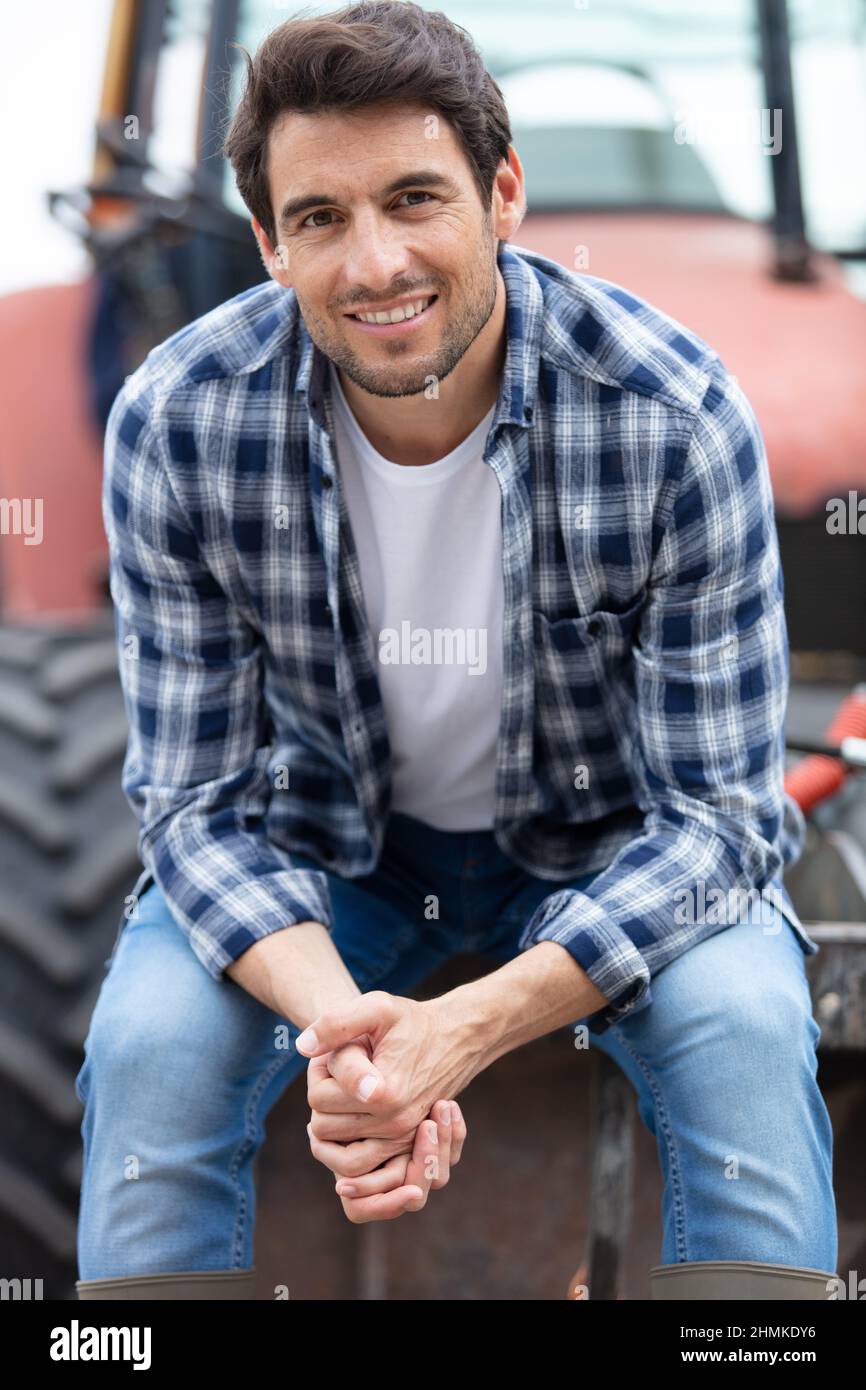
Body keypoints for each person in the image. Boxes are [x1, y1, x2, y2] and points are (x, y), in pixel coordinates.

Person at [75, 0, 837, 1300]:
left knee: (747, 1025)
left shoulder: (674, 413)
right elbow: (193, 805)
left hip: (616, 840)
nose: (373, 262)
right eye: (319, 217)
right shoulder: (176, 422)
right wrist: (350, 1035)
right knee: (151, 1046)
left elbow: (717, 816)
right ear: (267, 243)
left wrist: (462, 1030)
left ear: (503, 195)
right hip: (324, 854)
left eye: (414, 198)